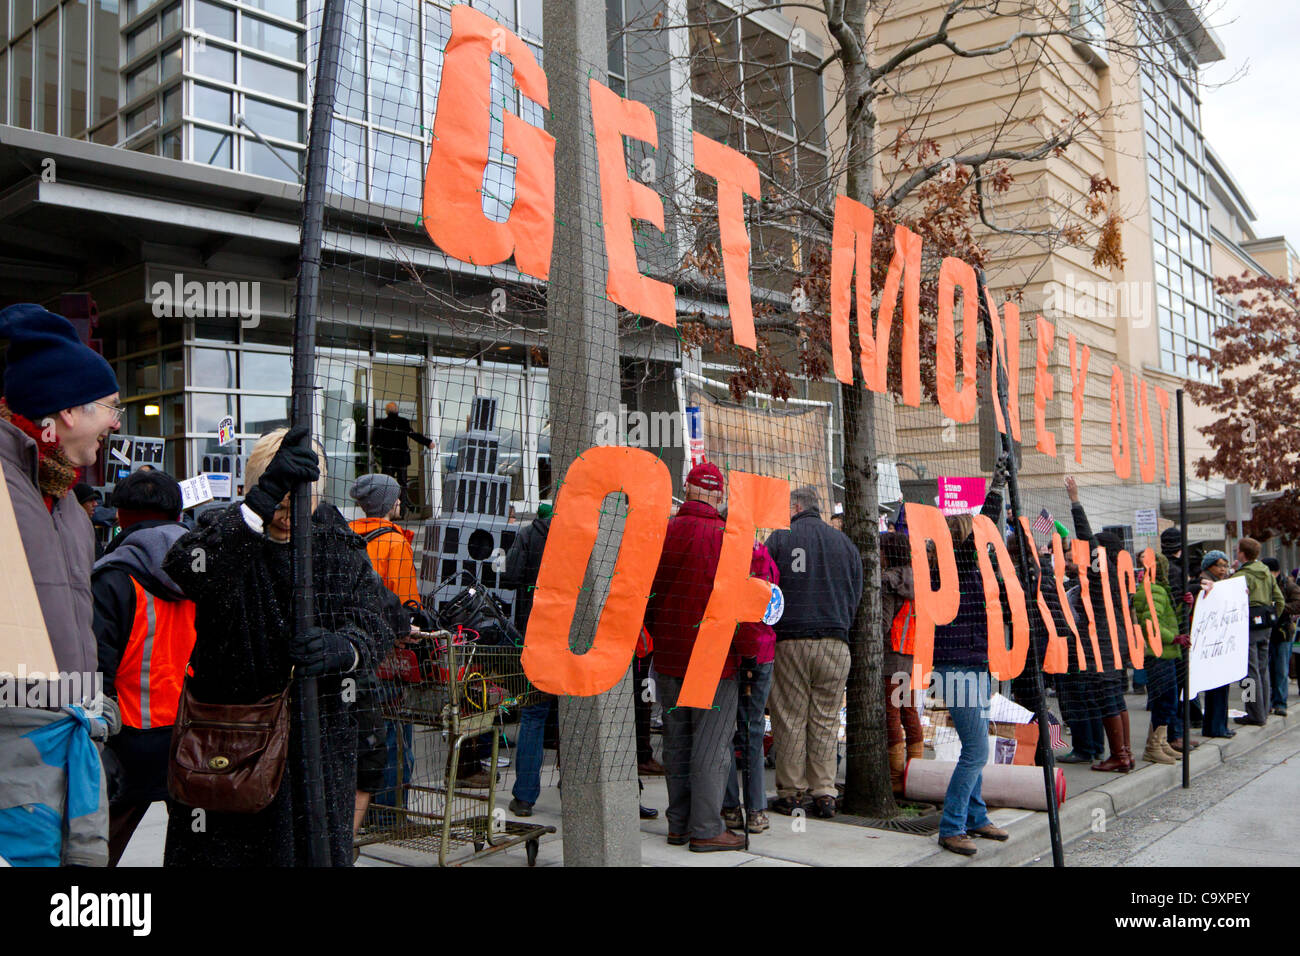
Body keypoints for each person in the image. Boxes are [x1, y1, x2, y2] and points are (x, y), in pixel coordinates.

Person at [161, 425, 401, 866]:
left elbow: (379, 616)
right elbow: (186, 570)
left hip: (316, 742)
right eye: (279, 501)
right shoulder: (224, 530)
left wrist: (346, 648)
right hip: (230, 738)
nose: (289, 515)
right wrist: (257, 506)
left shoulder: (338, 544)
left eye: (301, 502)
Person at [0, 303, 122, 867]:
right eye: (110, 408)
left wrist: (92, 701)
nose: (117, 424)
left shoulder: (70, 504)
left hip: (77, 750)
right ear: (68, 410)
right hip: (14, 762)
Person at [92, 469, 196, 865]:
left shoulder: (112, 577)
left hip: (128, 737)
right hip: (194, 734)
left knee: (95, 848)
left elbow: (94, 666)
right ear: (178, 513)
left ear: (120, 517)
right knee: (194, 848)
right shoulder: (209, 570)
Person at [644, 461, 744, 852]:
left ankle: (679, 823)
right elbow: (744, 599)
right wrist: (751, 654)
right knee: (712, 744)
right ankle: (706, 827)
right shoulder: (727, 537)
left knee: (678, 740)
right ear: (719, 497)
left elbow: (645, 591)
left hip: (668, 655)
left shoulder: (662, 532)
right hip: (715, 657)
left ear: (686, 491)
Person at [764, 485, 863, 820]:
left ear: (795, 505)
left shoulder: (778, 538)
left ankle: (791, 794)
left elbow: (763, 587)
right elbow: (856, 593)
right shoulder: (845, 544)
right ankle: (824, 792)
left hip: (789, 640)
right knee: (825, 719)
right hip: (835, 641)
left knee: (790, 719)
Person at [933, 466, 1009, 856]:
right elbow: (985, 524)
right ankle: (952, 826)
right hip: (956, 665)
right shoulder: (953, 564)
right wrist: (997, 488)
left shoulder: (971, 567)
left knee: (976, 745)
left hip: (973, 662)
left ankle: (976, 817)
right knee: (977, 749)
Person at [347, 472, 421, 833]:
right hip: (386, 655)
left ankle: (358, 809)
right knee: (393, 733)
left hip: (351, 654)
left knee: (359, 734)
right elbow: (407, 604)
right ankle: (387, 813)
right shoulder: (395, 544)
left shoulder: (345, 537)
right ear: (390, 503)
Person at [1064, 476, 1132, 773]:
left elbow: (1087, 539)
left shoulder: (1099, 572)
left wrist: (1075, 501)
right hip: (1117, 641)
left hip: (1101, 642)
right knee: (1117, 698)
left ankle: (1118, 755)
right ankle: (1125, 754)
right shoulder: (1119, 574)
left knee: (1106, 699)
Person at [499, 502, 560, 818]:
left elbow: (509, 577)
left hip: (536, 633)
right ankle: (577, 787)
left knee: (533, 715)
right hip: (574, 638)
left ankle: (524, 797)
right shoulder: (583, 534)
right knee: (576, 716)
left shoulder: (528, 534)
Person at [721, 541, 779, 833]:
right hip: (762, 649)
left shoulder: (725, 553)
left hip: (729, 651)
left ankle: (731, 807)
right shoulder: (764, 556)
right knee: (753, 730)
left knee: (727, 731)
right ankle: (756, 810)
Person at [1132, 553, 1184, 764]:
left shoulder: (1158, 590)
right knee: (1165, 700)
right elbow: (1151, 623)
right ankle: (1154, 746)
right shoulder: (1153, 590)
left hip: (1163, 652)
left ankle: (1159, 743)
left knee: (1168, 700)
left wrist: (1182, 604)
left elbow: (1164, 617)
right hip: (1159, 652)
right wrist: (1175, 638)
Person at [880, 531, 921, 792]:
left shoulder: (886, 582)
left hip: (889, 657)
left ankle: (895, 781)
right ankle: (916, 775)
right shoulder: (918, 579)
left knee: (892, 717)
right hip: (911, 655)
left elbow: (882, 623)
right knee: (909, 712)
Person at [1230, 538, 1284, 727]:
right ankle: (1264, 709)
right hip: (1266, 625)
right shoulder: (1267, 573)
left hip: (1247, 626)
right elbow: (1280, 599)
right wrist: (1273, 618)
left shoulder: (1241, 575)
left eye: (1237, 550)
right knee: (1263, 669)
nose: (1236, 553)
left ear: (1243, 554)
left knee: (1249, 672)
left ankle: (1254, 713)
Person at [1197, 550, 1235, 738]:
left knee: (1221, 686)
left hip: (1220, 641)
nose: (1223, 569)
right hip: (1211, 643)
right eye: (1219, 565)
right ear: (1209, 566)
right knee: (1216, 687)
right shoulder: (1204, 583)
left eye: (1225, 565)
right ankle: (1215, 726)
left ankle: (1218, 725)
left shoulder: (1221, 583)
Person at [371, 402, 432, 514]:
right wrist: (428, 442)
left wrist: (381, 450)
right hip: (401, 459)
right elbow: (413, 435)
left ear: (386, 412)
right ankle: (402, 511)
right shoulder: (403, 422)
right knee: (402, 484)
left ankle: (386, 511)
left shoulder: (380, 423)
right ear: (397, 410)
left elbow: (375, 442)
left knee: (386, 485)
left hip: (388, 459)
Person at [1263, 557, 1300, 716]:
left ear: (1276, 571)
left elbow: (1298, 604)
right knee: (1266, 669)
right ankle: (1267, 702)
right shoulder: (1263, 584)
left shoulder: (1289, 585)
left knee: (1281, 669)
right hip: (1266, 631)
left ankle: (1280, 703)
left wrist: (1278, 607)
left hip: (1283, 632)